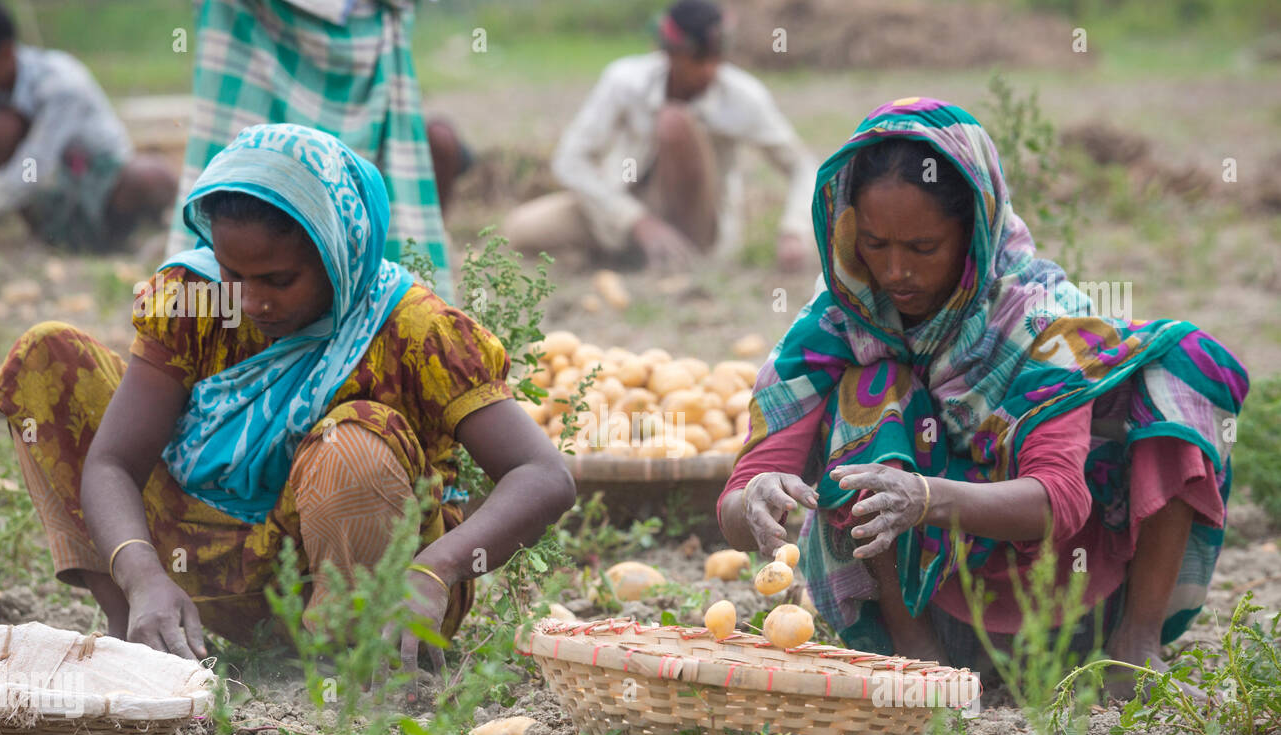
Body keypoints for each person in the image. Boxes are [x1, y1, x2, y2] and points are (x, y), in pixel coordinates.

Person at [0, 124, 575, 699]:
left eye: (279, 279)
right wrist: (143, 578)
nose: (251, 300)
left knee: (357, 440)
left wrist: (436, 570)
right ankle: (144, 638)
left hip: (387, 592)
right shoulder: (195, 301)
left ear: (340, 254)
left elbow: (543, 475)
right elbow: (113, 460)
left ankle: (353, 662)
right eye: (232, 272)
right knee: (49, 356)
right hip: (207, 573)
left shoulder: (414, 332)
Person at [717, 98, 1248, 689]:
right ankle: (916, 660)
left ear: (975, 231)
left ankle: (1136, 647)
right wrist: (755, 502)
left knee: (1182, 360)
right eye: (874, 243)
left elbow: (1060, 500)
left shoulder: (1040, 321)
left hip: (1076, 603)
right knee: (872, 387)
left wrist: (925, 497)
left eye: (922, 249)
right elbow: (738, 502)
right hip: (940, 614)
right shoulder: (835, 327)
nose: (895, 272)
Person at [164, 0, 455, 299]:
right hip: (251, 21)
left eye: (279, 280)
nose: (254, 305)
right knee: (237, 190)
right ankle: (205, 304)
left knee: (397, 308)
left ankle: (370, 306)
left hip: (362, 26)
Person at [502, 0, 817, 272]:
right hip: (624, 209)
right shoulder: (625, 81)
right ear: (670, 52)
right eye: (699, 60)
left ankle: (679, 258)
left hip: (698, 229)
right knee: (519, 229)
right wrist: (635, 220)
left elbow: (802, 165)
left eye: (716, 59)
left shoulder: (743, 96)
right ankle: (625, 251)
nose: (709, 70)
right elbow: (570, 160)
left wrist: (793, 229)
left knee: (674, 122)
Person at [0, 0, 177, 249]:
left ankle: (116, 237)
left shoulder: (60, 85)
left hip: (101, 180)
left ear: (5, 52)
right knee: (4, 126)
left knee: (152, 176)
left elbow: (32, 170)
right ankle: (45, 233)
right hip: (59, 185)